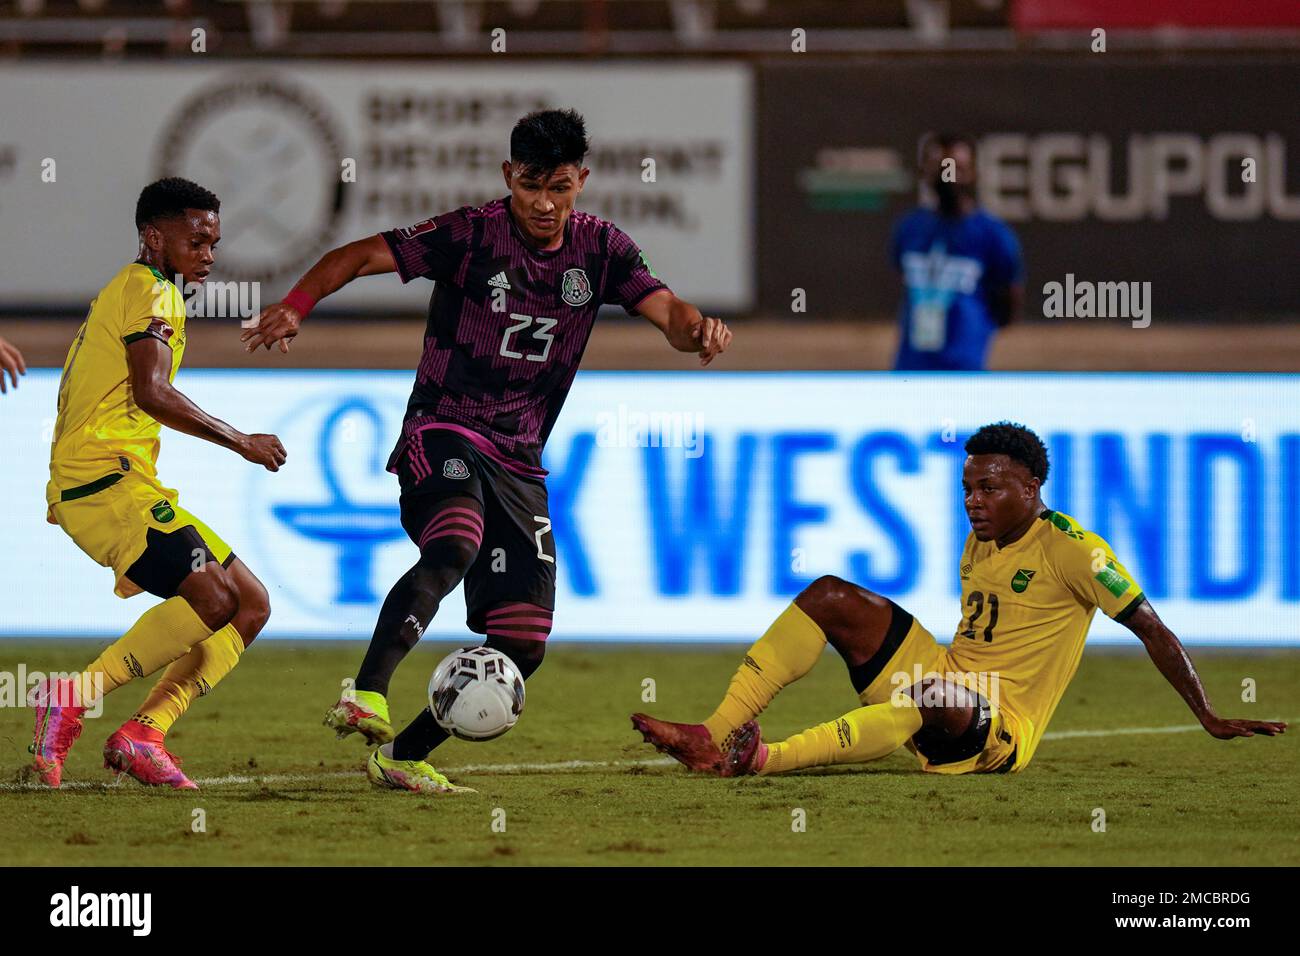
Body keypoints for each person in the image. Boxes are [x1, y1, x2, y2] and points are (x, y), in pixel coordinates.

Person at [242, 108, 733, 794]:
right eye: (530, 183)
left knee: (524, 641)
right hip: (443, 430)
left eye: (559, 186)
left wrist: (697, 332)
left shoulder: (603, 251)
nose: (543, 201)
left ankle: (403, 755)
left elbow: (670, 314)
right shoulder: (469, 235)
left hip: (521, 461)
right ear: (509, 175)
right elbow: (355, 257)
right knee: (454, 542)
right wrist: (297, 303)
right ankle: (367, 692)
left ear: (581, 182)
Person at [634, 422, 1285, 777]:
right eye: (968, 488)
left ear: (1031, 486)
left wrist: (1209, 713)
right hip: (947, 677)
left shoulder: (1077, 552)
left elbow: (1152, 629)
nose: (974, 500)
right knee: (829, 595)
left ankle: (764, 760)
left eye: (991, 488)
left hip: (999, 730)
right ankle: (711, 735)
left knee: (926, 697)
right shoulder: (984, 539)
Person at [30, 178, 285, 790]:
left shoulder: (137, 288)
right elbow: (152, 392)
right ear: (154, 236)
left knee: (249, 604)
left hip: (119, 480)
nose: (209, 255)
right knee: (214, 598)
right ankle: (69, 697)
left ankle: (144, 733)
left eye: (215, 244)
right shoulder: (150, 292)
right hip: (101, 482)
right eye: (196, 241)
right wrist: (240, 440)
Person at [892, 133, 1023, 371]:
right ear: (924, 172)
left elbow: (1007, 305)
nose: (948, 177)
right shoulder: (909, 228)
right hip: (911, 368)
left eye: (957, 168)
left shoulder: (993, 235)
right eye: (941, 168)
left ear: (973, 173)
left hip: (963, 369)